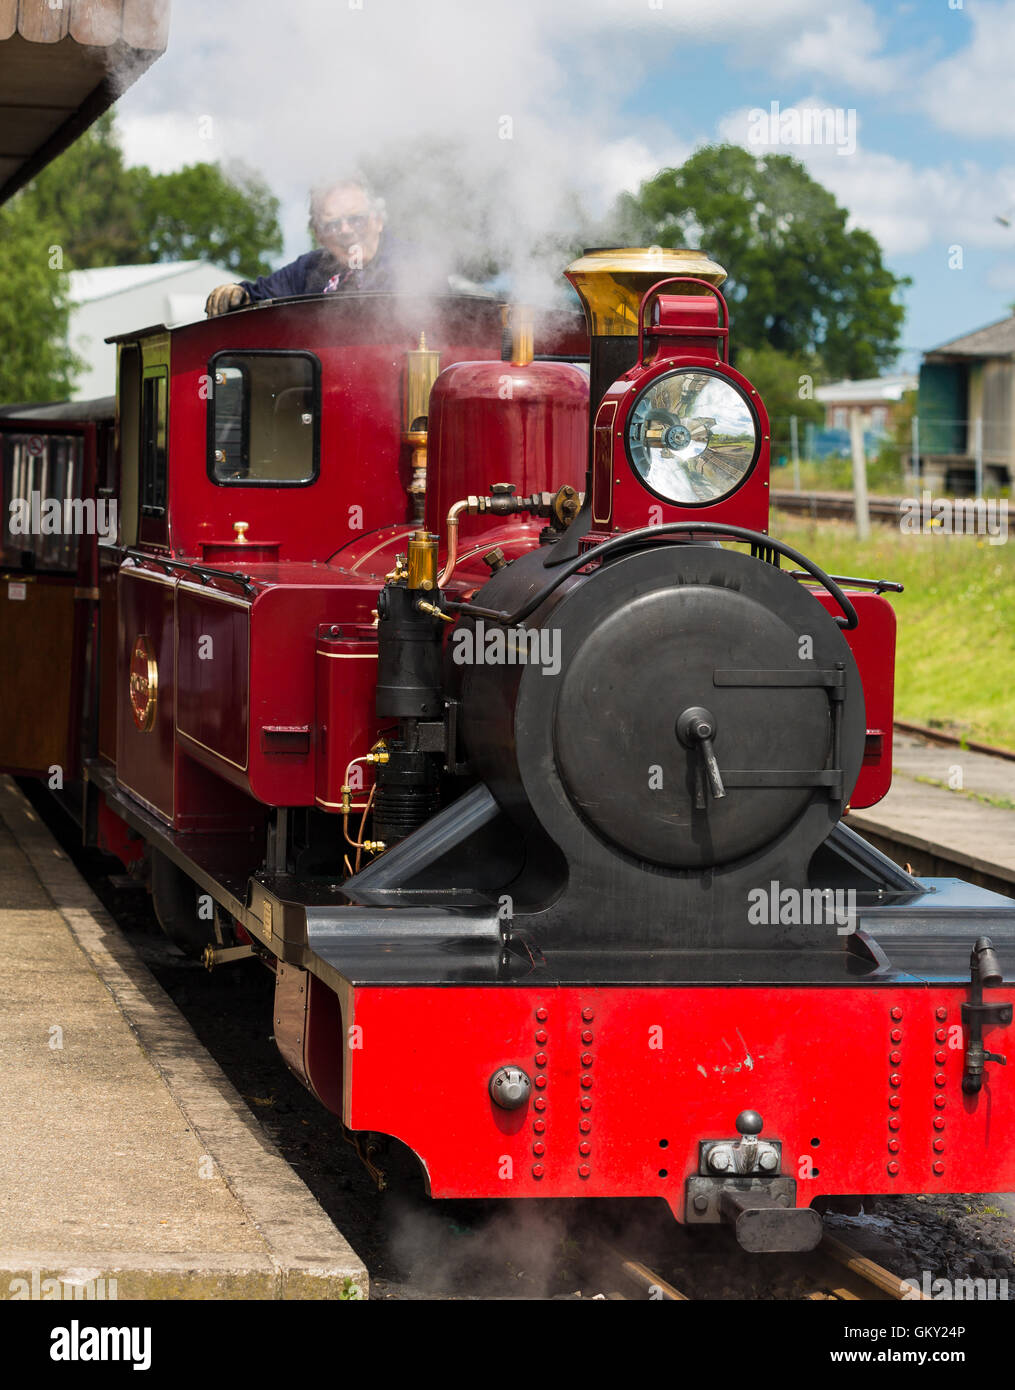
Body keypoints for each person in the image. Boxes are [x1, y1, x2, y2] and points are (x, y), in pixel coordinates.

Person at [204, 177, 409, 316]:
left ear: (378, 221)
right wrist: (235, 292)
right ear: (318, 235)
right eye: (333, 225)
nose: (345, 231)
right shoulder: (309, 268)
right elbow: (259, 294)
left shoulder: (414, 265)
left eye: (356, 220)